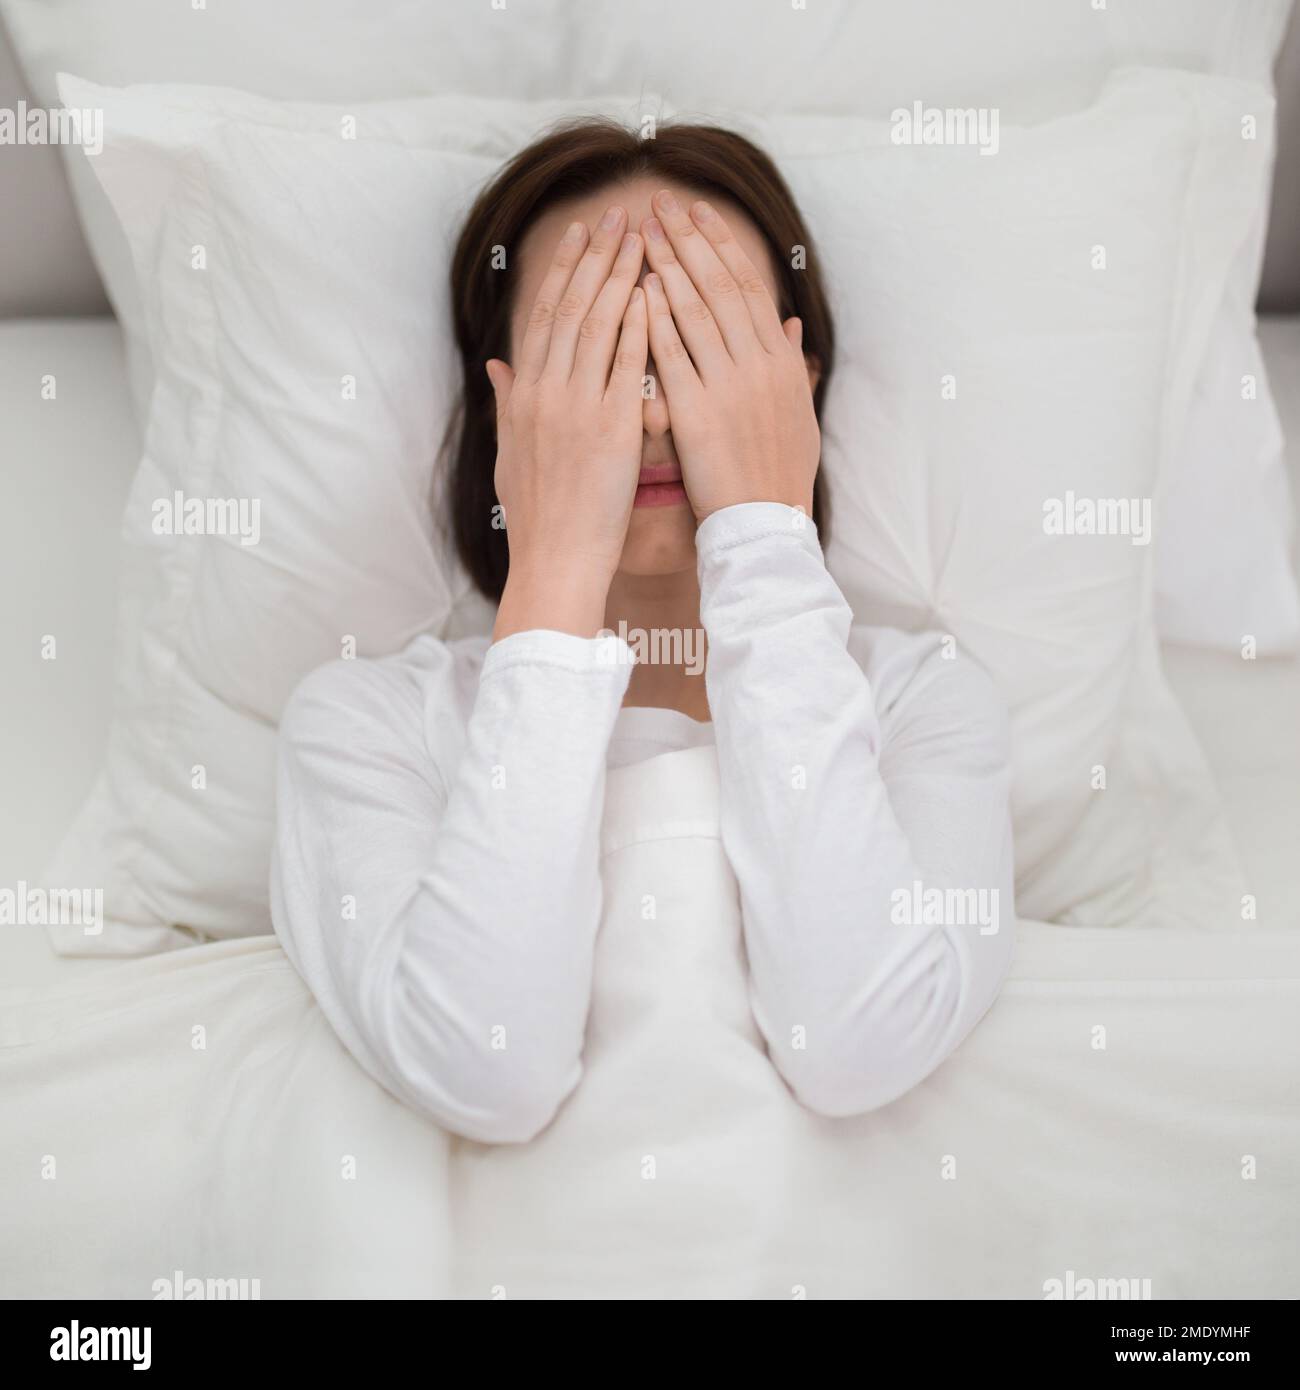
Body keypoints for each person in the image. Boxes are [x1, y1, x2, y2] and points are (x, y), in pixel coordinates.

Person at [270, 120, 1015, 1144]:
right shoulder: (367, 724)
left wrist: (763, 532)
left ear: (798, 389)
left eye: (708, 347)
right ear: (504, 411)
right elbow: (487, 1066)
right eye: (598, 353)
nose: (657, 413)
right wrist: (556, 567)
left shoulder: (926, 702)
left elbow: (856, 1043)